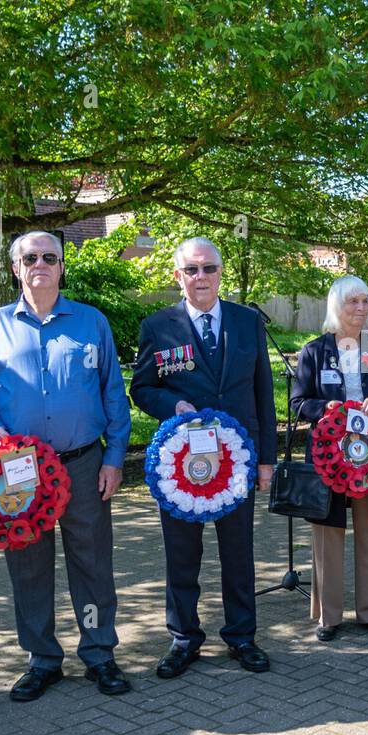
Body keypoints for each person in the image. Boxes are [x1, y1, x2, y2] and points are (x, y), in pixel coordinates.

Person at [0, 231, 133, 700]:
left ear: (61, 267)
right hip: (19, 470)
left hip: (83, 463)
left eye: (49, 257)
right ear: (15, 268)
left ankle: (99, 653)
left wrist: (114, 458)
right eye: (30, 257)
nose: (40, 263)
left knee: (92, 562)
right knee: (29, 564)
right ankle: (42, 660)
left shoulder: (91, 323)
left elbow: (113, 395)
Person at [131, 236, 277, 675]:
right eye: (191, 270)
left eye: (208, 269)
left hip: (237, 458)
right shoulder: (158, 326)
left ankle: (242, 636)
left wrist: (266, 459)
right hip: (180, 463)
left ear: (220, 272)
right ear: (177, 275)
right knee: (181, 553)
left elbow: (263, 394)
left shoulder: (247, 321)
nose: (200, 277)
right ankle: (183, 638)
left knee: (238, 551)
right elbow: (142, 387)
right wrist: (171, 406)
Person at [290, 275, 368, 642]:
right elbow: (296, 404)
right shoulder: (313, 351)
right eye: (352, 302)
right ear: (335, 306)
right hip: (329, 459)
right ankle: (329, 616)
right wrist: (326, 407)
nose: (360, 309)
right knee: (328, 536)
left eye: (365, 302)